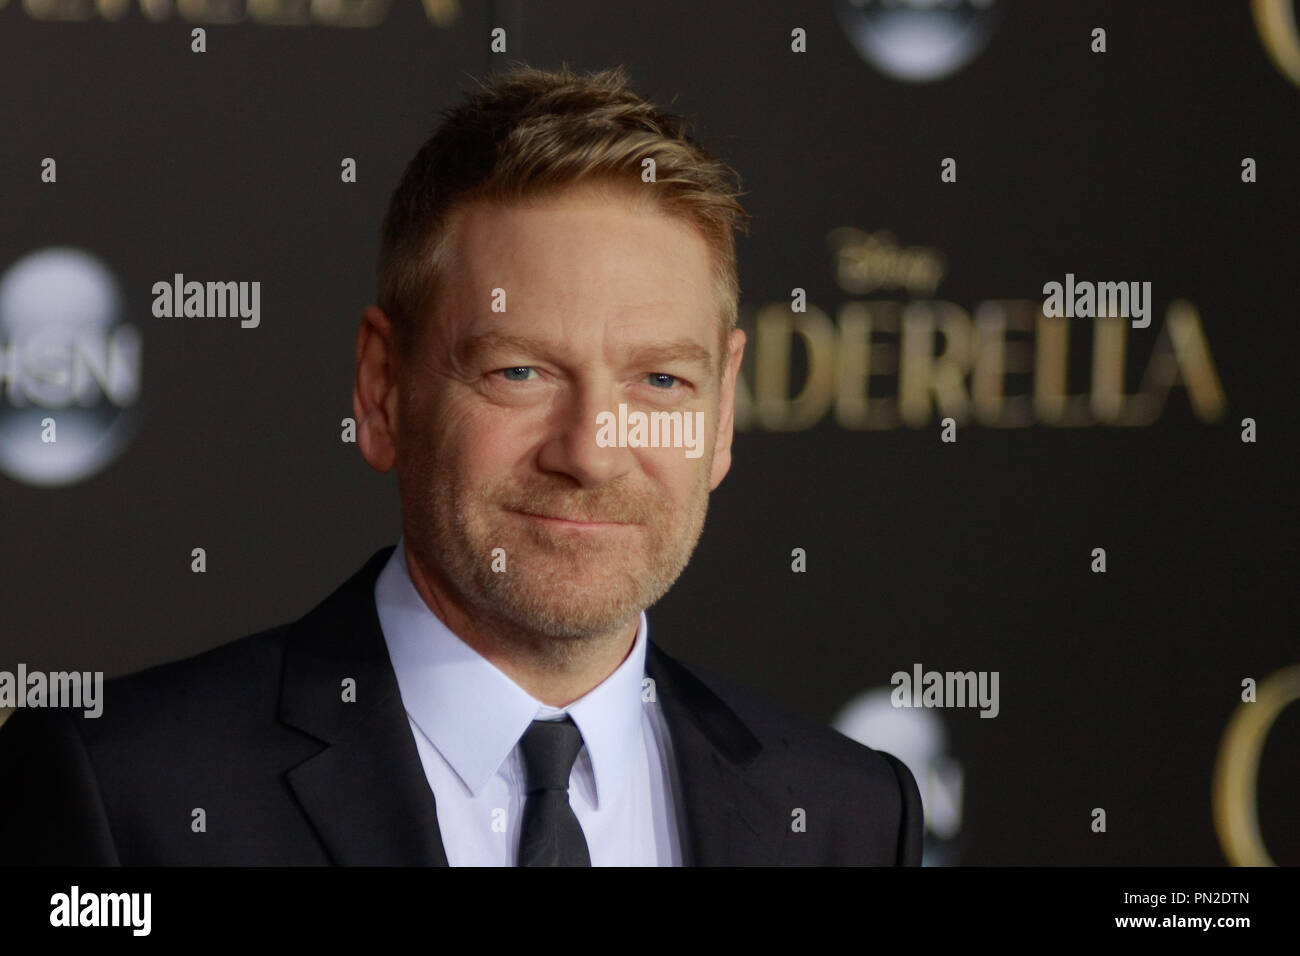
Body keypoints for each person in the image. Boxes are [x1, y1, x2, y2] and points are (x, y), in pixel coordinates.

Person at [0, 63, 922, 866]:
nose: (592, 451)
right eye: (518, 371)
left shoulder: (848, 821)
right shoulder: (131, 799)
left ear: (722, 414)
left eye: (661, 380)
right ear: (382, 389)